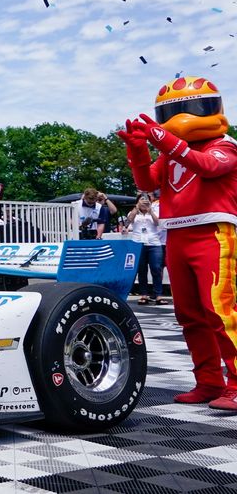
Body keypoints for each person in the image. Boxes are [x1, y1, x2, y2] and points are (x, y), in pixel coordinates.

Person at [118, 76, 237, 410]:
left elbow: (209, 168)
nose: (182, 116)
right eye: (172, 111)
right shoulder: (171, 153)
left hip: (213, 233)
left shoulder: (224, 144)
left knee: (220, 311)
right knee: (189, 315)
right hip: (177, 236)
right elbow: (146, 183)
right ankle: (210, 381)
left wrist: (161, 139)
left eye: (188, 108)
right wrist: (137, 148)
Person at [126, 193, 165, 305]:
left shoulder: (154, 211)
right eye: (142, 200)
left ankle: (158, 294)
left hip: (154, 243)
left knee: (156, 268)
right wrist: (137, 208)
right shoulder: (133, 212)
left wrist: (150, 210)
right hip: (138, 243)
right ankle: (144, 294)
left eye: (146, 200)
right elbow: (129, 220)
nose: (144, 201)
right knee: (141, 270)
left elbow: (158, 222)